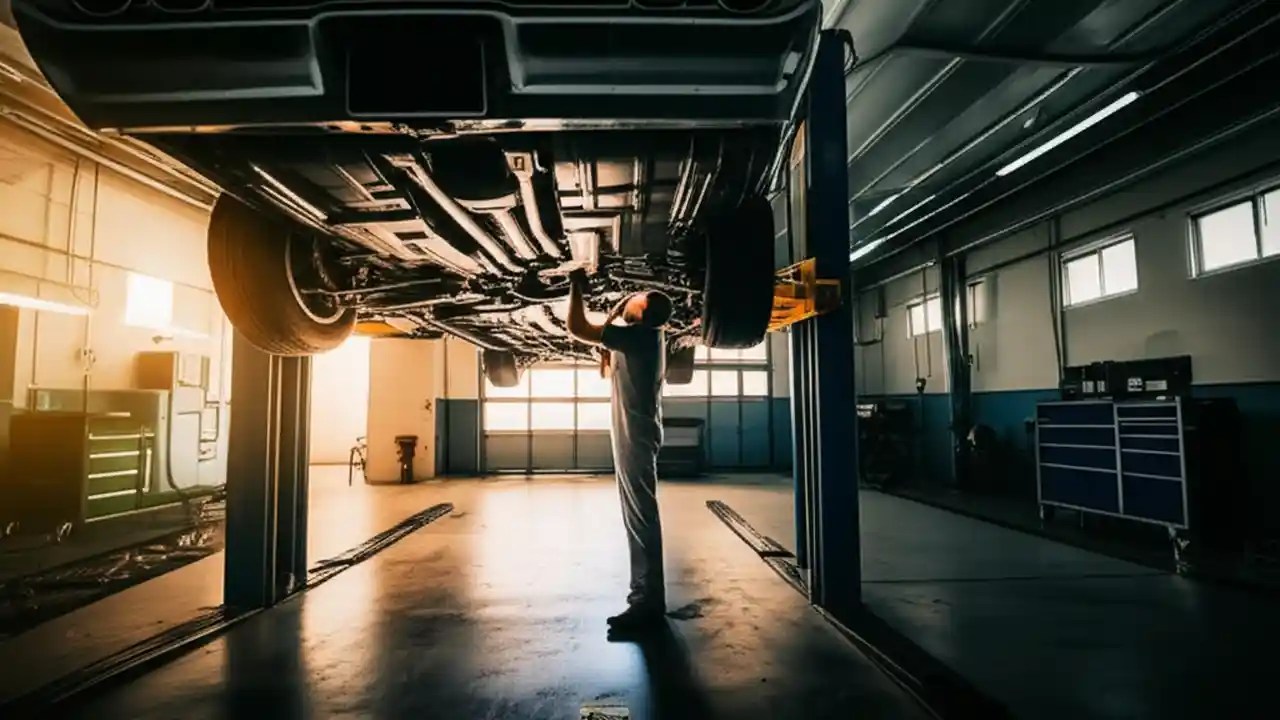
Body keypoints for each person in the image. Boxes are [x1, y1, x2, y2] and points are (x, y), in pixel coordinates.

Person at [565, 268, 673, 631]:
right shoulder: (646, 336)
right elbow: (606, 360)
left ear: (642, 314)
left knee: (641, 519)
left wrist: (576, 288)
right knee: (639, 517)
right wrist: (617, 311)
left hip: (636, 438)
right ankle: (645, 599)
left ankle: (646, 604)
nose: (628, 302)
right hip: (637, 434)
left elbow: (577, 329)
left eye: (635, 302)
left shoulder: (640, 338)